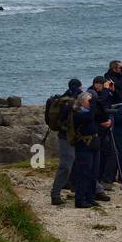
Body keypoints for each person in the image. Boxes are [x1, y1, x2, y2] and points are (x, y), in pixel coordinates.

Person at [69, 92, 109, 208]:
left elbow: (104, 118)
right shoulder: (77, 113)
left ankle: (90, 198)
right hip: (83, 146)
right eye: (89, 100)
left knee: (94, 173)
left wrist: (99, 104)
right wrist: (93, 105)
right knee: (84, 173)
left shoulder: (92, 111)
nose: (91, 103)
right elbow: (89, 118)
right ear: (82, 102)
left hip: (95, 144)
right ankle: (80, 200)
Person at [48, 78, 82, 206]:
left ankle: (72, 186)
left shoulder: (66, 98)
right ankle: (55, 194)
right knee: (65, 165)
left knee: (74, 163)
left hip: (70, 136)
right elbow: (65, 117)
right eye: (80, 88)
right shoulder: (67, 101)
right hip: (65, 136)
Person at [90, 76, 116, 199]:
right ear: (96, 84)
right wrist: (106, 91)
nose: (101, 87)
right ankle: (98, 180)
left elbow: (117, 100)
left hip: (106, 125)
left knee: (109, 152)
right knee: (98, 153)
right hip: (98, 128)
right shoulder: (91, 93)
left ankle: (104, 179)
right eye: (101, 85)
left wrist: (113, 90)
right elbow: (100, 102)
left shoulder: (106, 92)